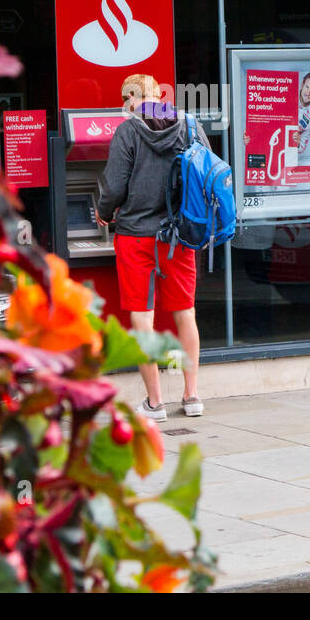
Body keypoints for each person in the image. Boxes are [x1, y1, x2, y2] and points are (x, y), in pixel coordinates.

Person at [96, 73, 209, 421]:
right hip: (179, 236)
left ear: (131, 98)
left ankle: (155, 403)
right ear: (158, 95)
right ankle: (191, 397)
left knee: (141, 317)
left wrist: (102, 213)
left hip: (135, 236)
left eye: (124, 99)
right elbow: (205, 172)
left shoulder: (127, 132)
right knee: (184, 313)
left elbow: (114, 186)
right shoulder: (189, 126)